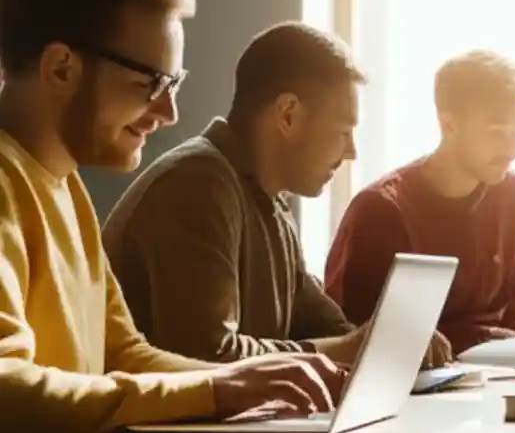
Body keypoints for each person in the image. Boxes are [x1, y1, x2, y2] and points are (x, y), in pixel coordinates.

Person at [0, 0, 344, 433]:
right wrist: (214, 391)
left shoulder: (62, 183)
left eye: (174, 85)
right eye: (152, 83)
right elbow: (6, 392)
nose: (169, 113)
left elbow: (123, 355)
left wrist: (246, 378)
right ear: (61, 68)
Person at [102, 22, 453, 366]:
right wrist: (347, 350)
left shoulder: (270, 203)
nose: (352, 153)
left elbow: (331, 330)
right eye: (344, 131)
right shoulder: (196, 187)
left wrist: (388, 345)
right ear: (288, 115)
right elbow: (207, 356)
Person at [325, 49, 515, 356]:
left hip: (498, 377)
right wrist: (483, 341)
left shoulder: (511, 194)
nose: (512, 150)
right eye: (496, 132)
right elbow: (360, 339)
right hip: (413, 386)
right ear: (449, 125)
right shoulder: (381, 210)